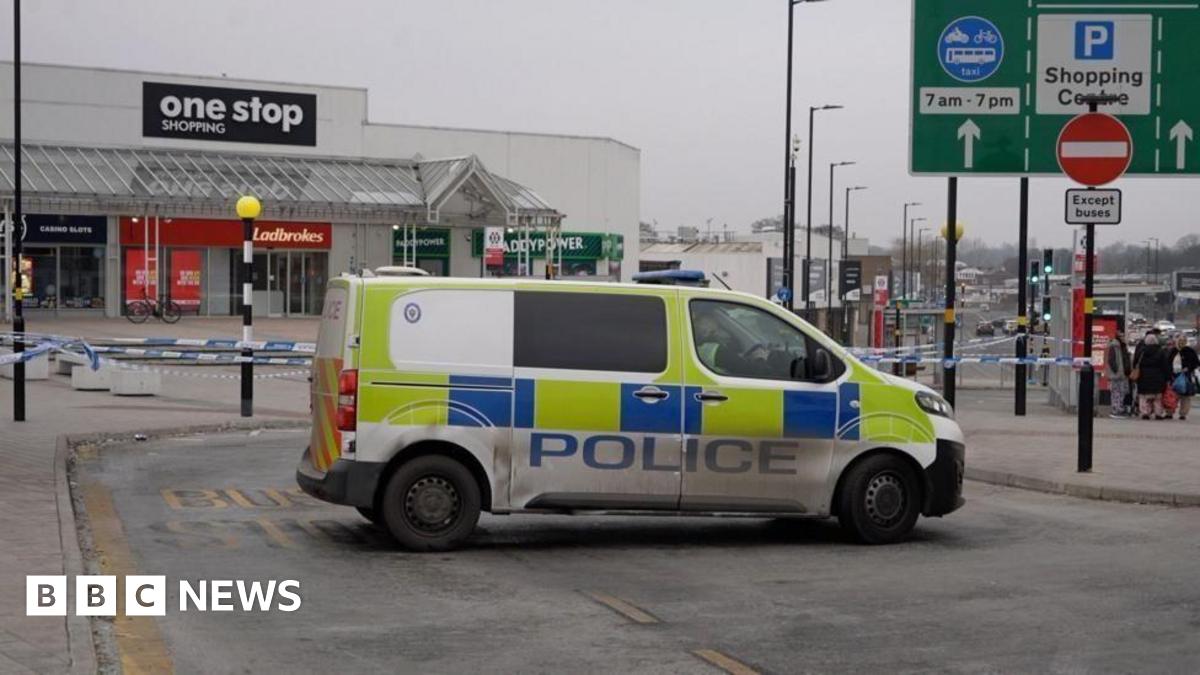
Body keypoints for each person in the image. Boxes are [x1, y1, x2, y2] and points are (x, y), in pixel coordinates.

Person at [1133, 333, 1171, 420]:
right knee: (1157, 398)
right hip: (1158, 377)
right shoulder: (1160, 351)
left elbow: (1136, 363)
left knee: (1144, 397)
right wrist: (1168, 377)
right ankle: (1158, 413)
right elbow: (1165, 366)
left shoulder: (1142, 351)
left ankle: (1145, 413)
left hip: (1143, 377)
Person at [1167, 335, 1199, 421]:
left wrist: (1188, 368)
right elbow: (1167, 362)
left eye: (1183, 340)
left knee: (1185, 396)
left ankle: (1183, 413)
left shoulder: (1189, 351)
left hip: (1185, 375)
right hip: (1173, 375)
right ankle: (1169, 412)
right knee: (1171, 395)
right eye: (1180, 340)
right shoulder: (1172, 351)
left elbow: (1196, 363)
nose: (1181, 342)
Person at [1105, 331, 1132, 418]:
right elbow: (1111, 360)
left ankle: (1119, 408)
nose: (1124, 337)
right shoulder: (1115, 346)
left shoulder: (1122, 346)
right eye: (1122, 336)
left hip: (1123, 374)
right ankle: (1116, 410)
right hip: (1118, 375)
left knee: (1122, 392)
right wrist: (1117, 370)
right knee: (1117, 392)